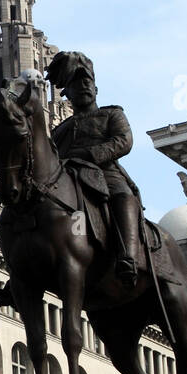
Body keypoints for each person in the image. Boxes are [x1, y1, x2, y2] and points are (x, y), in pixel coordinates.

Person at [45, 51, 143, 284]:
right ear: (67, 94)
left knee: (122, 196)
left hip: (105, 173)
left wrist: (90, 154)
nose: (83, 88)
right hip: (70, 178)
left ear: (96, 89)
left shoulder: (112, 114)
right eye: (76, 85)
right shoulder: (60, 130)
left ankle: (127, 255)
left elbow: (123, 141)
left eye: (87, 83)